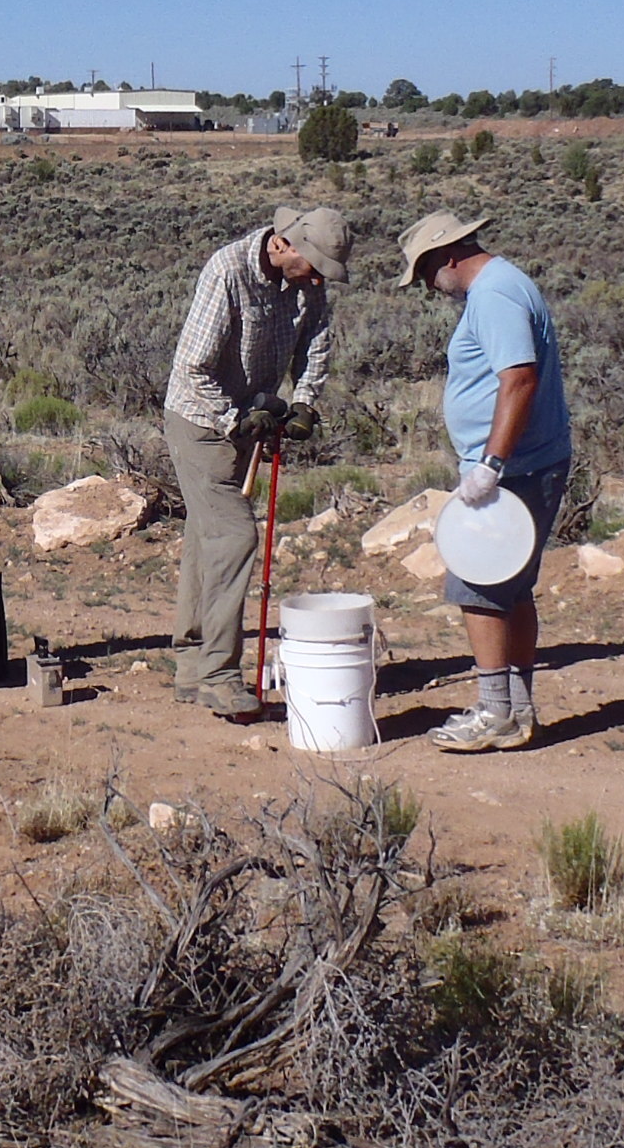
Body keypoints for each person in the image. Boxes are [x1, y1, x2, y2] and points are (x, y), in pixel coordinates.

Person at [161, 204, 352, 718]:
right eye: (313, 267)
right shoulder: (227, 271)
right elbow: (192, 367)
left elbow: (316, 343)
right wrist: (233, 419)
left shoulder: (306, 283)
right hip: (200, 422)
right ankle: (221, 675)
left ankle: (191, 667)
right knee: (233, 536)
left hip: (250, 416)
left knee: (208, 541)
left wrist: (306, 400)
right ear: (284, 245)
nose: (317, 280)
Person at [398, 211, 571, 752]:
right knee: (514, 589)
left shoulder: (493, 295)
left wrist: (490, 464)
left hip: (509, 470)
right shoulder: (507, 283)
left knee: (478, 587)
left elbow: (518, 377)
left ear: (447, 255)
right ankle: (518, 712)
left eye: (425, 274)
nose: (429, 288)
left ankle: (495, 713)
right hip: (532, 460)